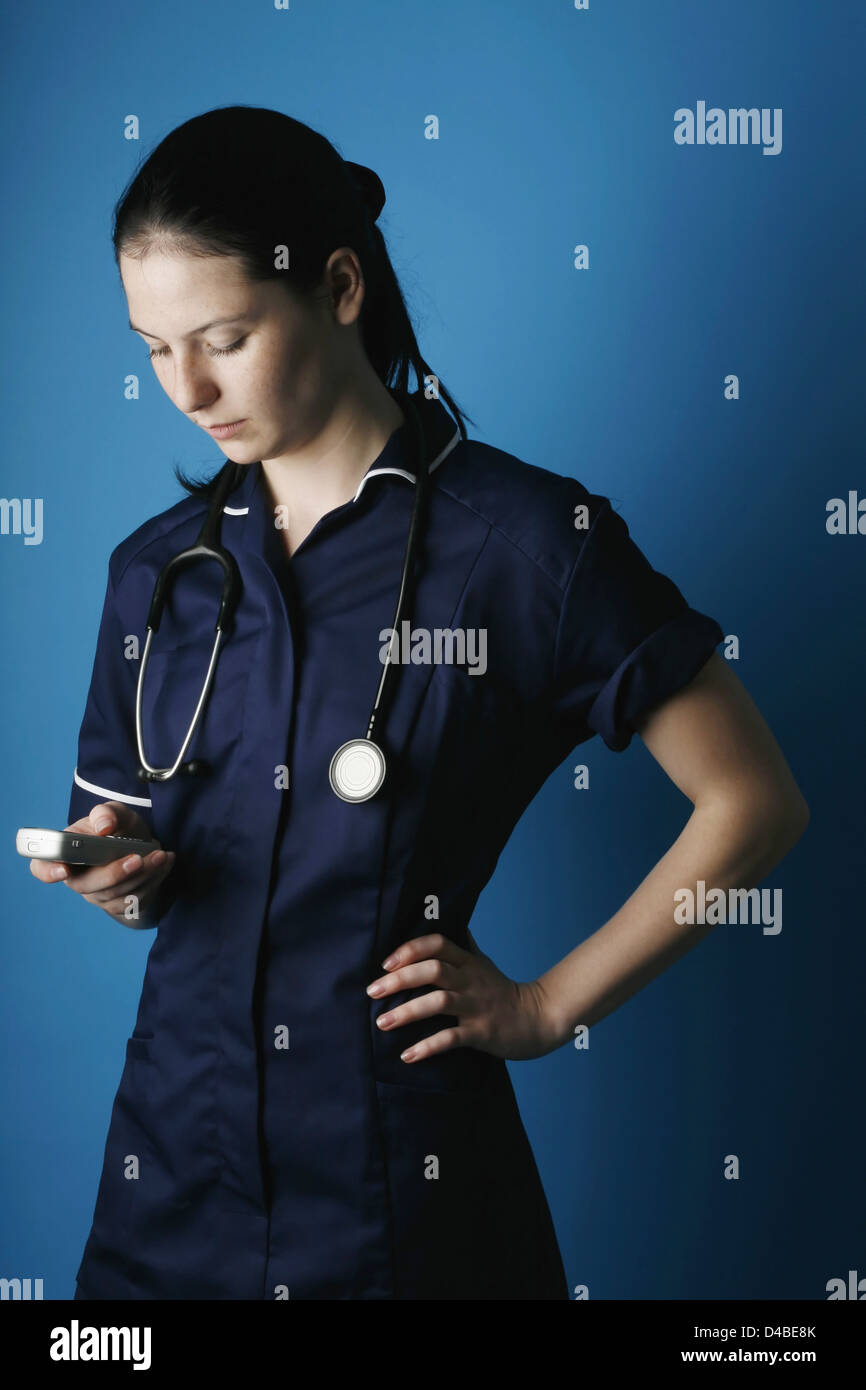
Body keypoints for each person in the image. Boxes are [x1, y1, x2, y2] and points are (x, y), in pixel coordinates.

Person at [30, 104, 809, 1301]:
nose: (184, 387)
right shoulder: (158, 571)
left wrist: (547, 1005)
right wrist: (115, 874)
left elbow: (752, 800)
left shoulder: (530, 548)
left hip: (402, 1193)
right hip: (166, 1185)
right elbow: (145, 878)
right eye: (151, 349)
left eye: (224, 336)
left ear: (338, 287)